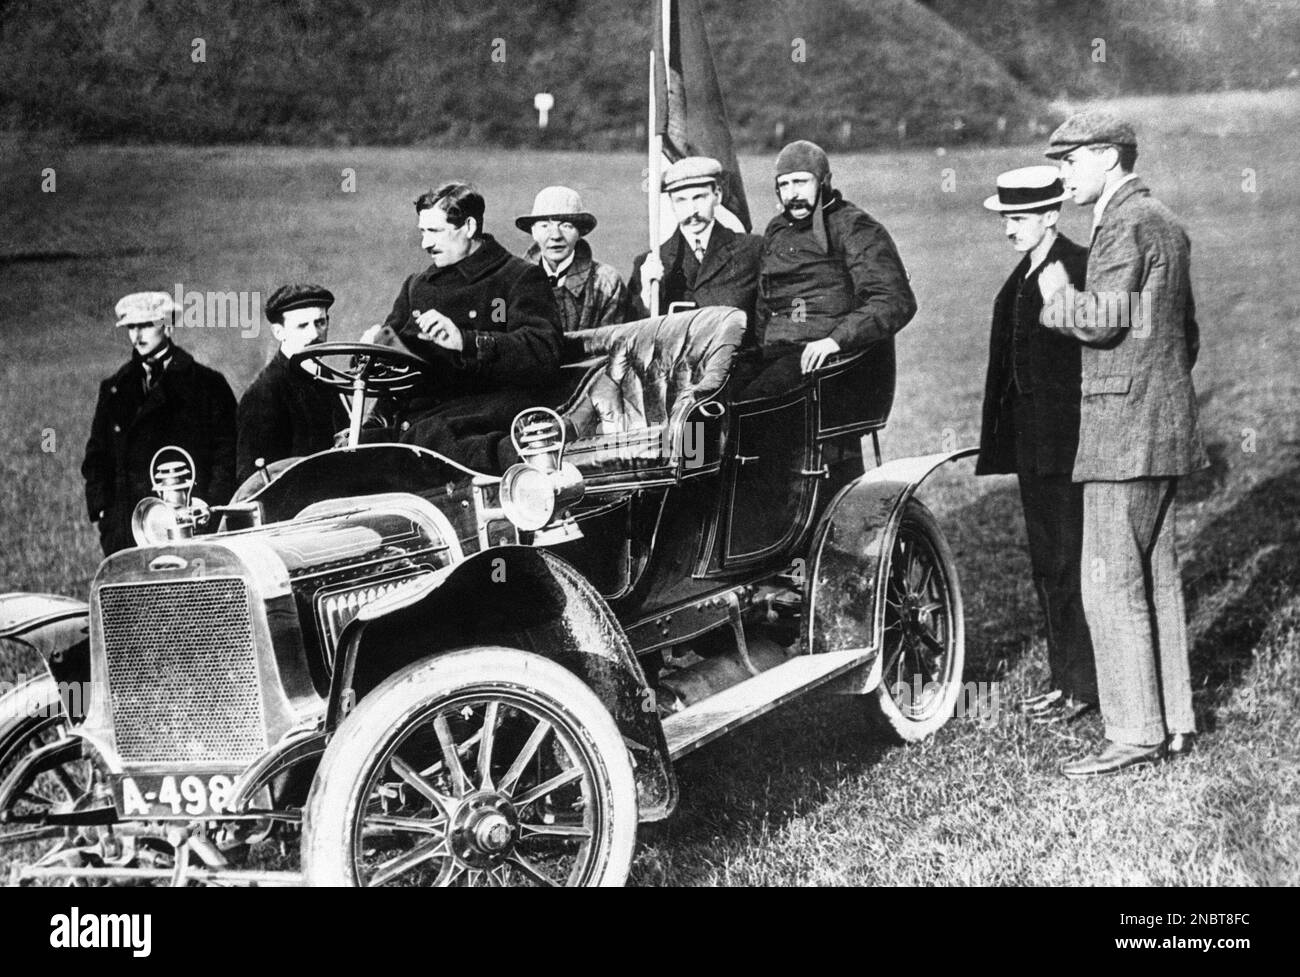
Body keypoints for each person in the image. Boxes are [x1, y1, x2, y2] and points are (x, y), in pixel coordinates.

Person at [1037, 110, 1206, 777]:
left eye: (1070, 160)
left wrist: (1056, 293)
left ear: (1106, 156)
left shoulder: (1120, 224)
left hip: (1122, 433)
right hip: (1165, 426)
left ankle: (1134, 728)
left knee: (1108, 582)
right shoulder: (1165, 219)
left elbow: (1102, 320)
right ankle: (1174, 721)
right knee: (1156, 578)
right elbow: (1184, 334)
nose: (1063, 173)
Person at [975, 165, 1097, 724]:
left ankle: (1085, 685)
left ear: (1051, 216)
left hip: (1069, 444)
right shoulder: (1024, 275)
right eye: (1006, 219)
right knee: (1048, 564)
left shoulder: (1076, 267)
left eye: (1019, 218)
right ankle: (1063, 679)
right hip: (1033, 447)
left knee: (1072, 562)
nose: (1009, 229)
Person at [362, 182, 562, 474]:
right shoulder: (416, 286)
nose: (425, 244)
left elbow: (543, 353)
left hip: (482, 413)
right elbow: (391, 360)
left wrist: (465, 342)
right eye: (422, 232)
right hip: (416, 418)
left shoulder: (518, 277)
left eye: (435, 232)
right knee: (349, 459)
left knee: (427, 441)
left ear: (468, 227)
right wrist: (373, 351)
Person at [735, 140, 916, 400]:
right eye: (784, 185)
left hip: (831, 358)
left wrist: (835, 341)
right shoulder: (777, 229)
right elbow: (765, 303)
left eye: (801, 182)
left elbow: (893, 298)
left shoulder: (853, 227)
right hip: (776, 353)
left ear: (823, 181)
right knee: (705, 401)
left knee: (748, 407)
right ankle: (688, 443)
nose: (792, 194)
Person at [81, 291, 237, 555]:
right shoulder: (115, 388)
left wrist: (209, 503)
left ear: (168, 325)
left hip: (188, 522)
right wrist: (105, 512)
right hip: (129, 528)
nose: (137, 336)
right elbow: (97, 458)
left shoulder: (207, 385)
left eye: (146, 325)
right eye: (131, 327)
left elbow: (228, 453)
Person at [627, 156, 763, 328]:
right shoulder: (650, 264)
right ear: (671, 203)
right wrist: (647, 296)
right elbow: (630, 335)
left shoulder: (752, 251)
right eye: (681, 200)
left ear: (717, 195)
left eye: (700, 197)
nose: (692, 211)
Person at [236, 283, 349, 484]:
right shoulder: (265, 392)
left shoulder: (326, 377)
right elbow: (254, 482)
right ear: (279, 332)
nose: (315, 334)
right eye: (302, 325)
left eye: (320, 322)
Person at [515, 186, 626, 333]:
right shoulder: (514, 281)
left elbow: (614, 345)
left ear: (580, 232)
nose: (555, 235)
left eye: (566, 226)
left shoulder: (606, 283)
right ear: (533, 232)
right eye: (545, 225)